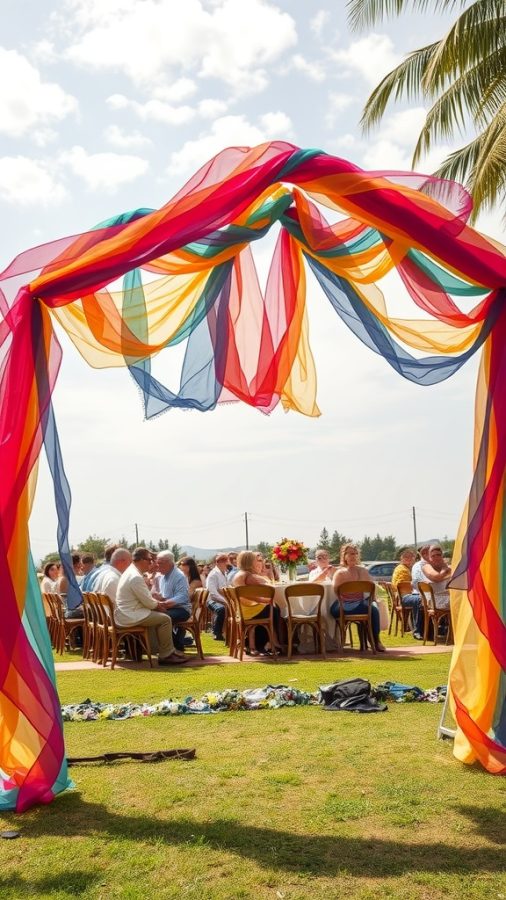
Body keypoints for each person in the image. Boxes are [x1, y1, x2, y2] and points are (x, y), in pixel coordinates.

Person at [115, 547, 187, 666]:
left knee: (160, 617)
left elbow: (147, 599)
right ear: (141, 560)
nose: (151, 563)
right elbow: (149, 603)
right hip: (130, 615)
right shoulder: (135, 577)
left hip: (127, 613)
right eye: (149, 560)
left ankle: (164, 651)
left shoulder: (131, 572)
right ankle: (166, 654)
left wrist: (157, 604)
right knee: (165, 619)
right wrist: (160, 606)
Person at [331, 543, 385, 652]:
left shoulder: (363, 571)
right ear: (344, 556)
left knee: (373, 606)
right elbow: (336, 592)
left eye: (356, 554)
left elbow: (371, 589)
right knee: (372, 608)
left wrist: (374, 599)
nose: (354, 556)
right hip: (343, 605)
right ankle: (375, 640)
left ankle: (375, 639)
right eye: (351, 554)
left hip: (359, 603)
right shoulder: (339, 573)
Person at [231, 550, 281, 654]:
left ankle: (271, 642)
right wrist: (265, 600)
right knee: (275, 609)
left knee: (272, 607)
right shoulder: (249, 576)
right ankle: (271, 643)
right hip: (249, 611)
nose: (260, 563)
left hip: (243, 610)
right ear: (250, 561)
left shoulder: (240, 574)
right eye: (257, 560)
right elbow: (265, 588)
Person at [152, 551, 191, 651]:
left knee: (160, 619)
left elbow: (183, 597)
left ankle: (171, 648)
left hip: (182, 610)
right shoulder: (162, 576)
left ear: (169, 563)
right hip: (171, 608)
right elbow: (166, 595)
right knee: (154, 617)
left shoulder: (179, 576)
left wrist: (164, 603)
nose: (157, 565)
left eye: (160, 563)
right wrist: (159, 597)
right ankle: (175, 645)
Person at [391, 547, 424, 639]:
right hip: (403, 597)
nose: (409, 560)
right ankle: (417, 631)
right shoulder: (402, 570)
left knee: (424, 598)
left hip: (408, 595)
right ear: (401, 559)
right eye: (406, 557)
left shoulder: (409, 569)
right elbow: (403, 585)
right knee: (419, 599)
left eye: (411, 557)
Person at [206, 553, 229, 641]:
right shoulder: (213, 574)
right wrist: (226, 601)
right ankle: (217, 633)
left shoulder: (225, 573)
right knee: (221, 609)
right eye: (223, 561)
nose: (226, 563)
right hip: (211, 600)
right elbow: (213, 593)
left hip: (222, 599)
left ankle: (227, 632)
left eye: (226, 561)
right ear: (217, 562)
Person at [422, 544, 452, 611]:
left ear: (442, 556)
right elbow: (437, 578)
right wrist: (444, 569)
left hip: (448, 597)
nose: (436, 558)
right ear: (429, 558)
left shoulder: (449, 568)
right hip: (434, 600)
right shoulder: (426, 567)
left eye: (438, 555)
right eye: (433, 556)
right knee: (461, 601)